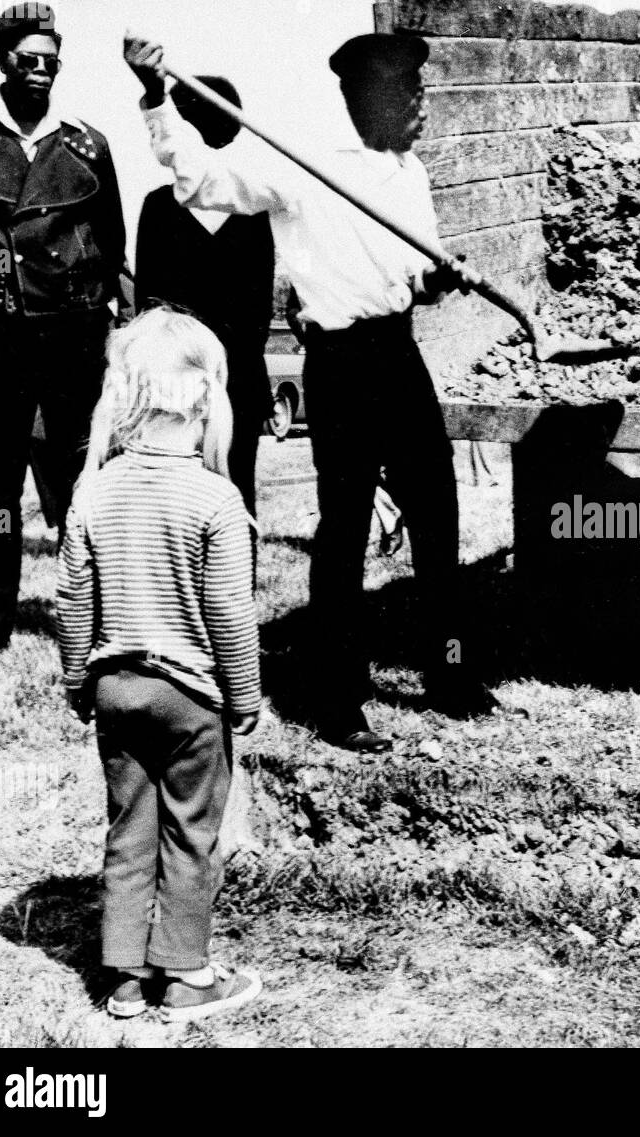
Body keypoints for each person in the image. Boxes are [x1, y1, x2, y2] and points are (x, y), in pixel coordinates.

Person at [124, 30, 493, 753]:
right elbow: (200, 180)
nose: (423, 104)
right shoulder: (304, 169)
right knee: (345, 528)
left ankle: (449, 676)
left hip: (400, 352)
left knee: (437, 514)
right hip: (342, 362)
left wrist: (437, 279)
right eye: (410, 92)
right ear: (372, 97)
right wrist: (155, 97)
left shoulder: (410, 174)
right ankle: (338, 699)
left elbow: (412, 273)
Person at [57, 307, 263, 1022]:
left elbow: (72, 600)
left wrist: (78, 680)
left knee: (128, 826)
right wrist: (244, 696)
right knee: (190, 829)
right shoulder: (216, 498)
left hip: (116, 688)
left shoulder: (95, 491)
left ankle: (123, 980)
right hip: (189, 696)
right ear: (208, 400)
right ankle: (187, 976)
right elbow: (230, 615)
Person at [0, 3, 126, 661]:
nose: (40, 72)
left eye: (51, 61)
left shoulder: (88, 146)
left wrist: (110, 323)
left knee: (81, 476)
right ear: (1, 59)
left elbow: (110, 243)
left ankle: (93, 613)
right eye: (28, 59)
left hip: (73, 335)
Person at [135, 77, 275, 521]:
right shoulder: (163, 208)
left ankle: (232, 583)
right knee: (196, 496)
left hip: (224, 380)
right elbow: (151, 309)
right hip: (184, 383)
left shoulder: (253, 209)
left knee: (233, 493)